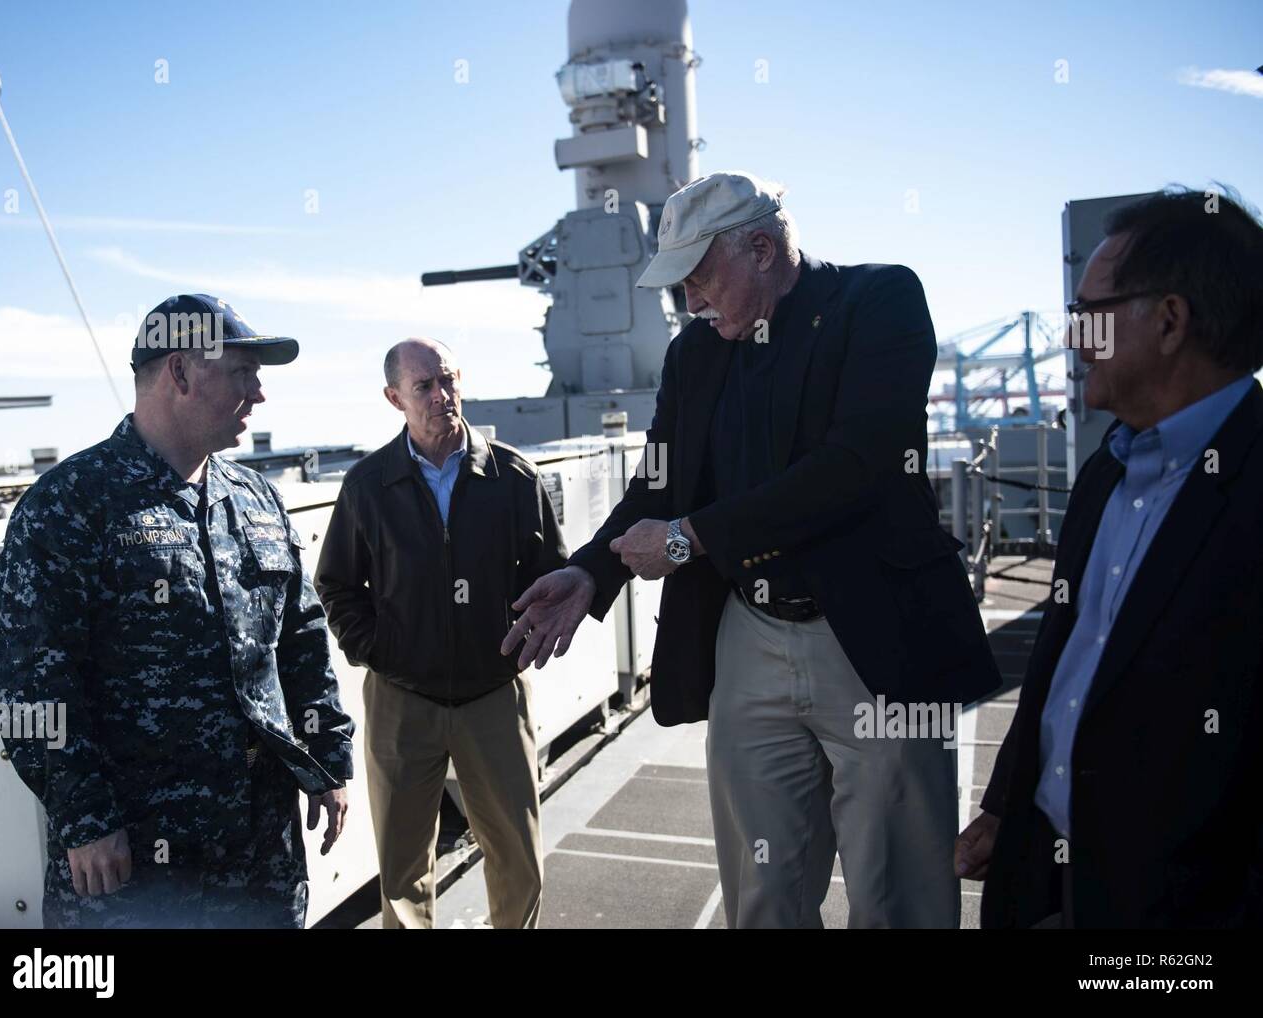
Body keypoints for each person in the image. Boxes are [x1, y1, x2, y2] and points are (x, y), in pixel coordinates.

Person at [503, 171, 1000, 928]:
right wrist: (589, 569)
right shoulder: (695, 354)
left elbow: (855, 467)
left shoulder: (880, 301)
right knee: (762, 894)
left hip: (876, 642)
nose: (689, 304)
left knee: (899, 895)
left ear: (762, 248)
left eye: (698, 281)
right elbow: (660, 483)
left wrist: (690, 537)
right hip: (750, 638)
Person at [0, 294, 353, 928]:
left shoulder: (257, 499)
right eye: (242, 372)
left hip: (260, 852)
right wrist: (86, 819)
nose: (259, 393)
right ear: (181, 372)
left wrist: (326, 753)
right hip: (133, 865)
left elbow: (300, 636)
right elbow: (32, 685)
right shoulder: (71, 505)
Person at [957, 186, 1263, 928]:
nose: (1070, 337)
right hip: (1040, 870)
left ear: (1168, 321)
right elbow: (1062, 664)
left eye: (1085, 314)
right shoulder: (1106, 470)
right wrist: (1006, 806)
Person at [315, 338, 565, 929]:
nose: (440, 396)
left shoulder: (512, 476)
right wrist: (379, 651)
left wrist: (518, 644)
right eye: (423, 386)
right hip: (402, 698)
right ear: (394, 397)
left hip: (493, 696)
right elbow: (337, 584)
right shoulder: (368, 485)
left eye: (448, 380)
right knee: (403, 872)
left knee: (519, 859)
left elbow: (550, 575)